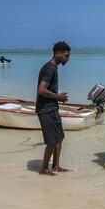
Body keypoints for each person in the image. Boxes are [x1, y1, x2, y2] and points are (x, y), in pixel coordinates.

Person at [36, 41, 71, 176]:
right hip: (45, 110)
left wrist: (57, 99)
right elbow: (41, 90)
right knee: (51, 141)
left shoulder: (53, 68)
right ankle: (44, 169)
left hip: (52, 108)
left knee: (59, 137)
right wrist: (58, 97)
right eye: (66, 56)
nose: (68, 58)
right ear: (58, 54)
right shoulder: (50, 69)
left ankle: (56, 166)